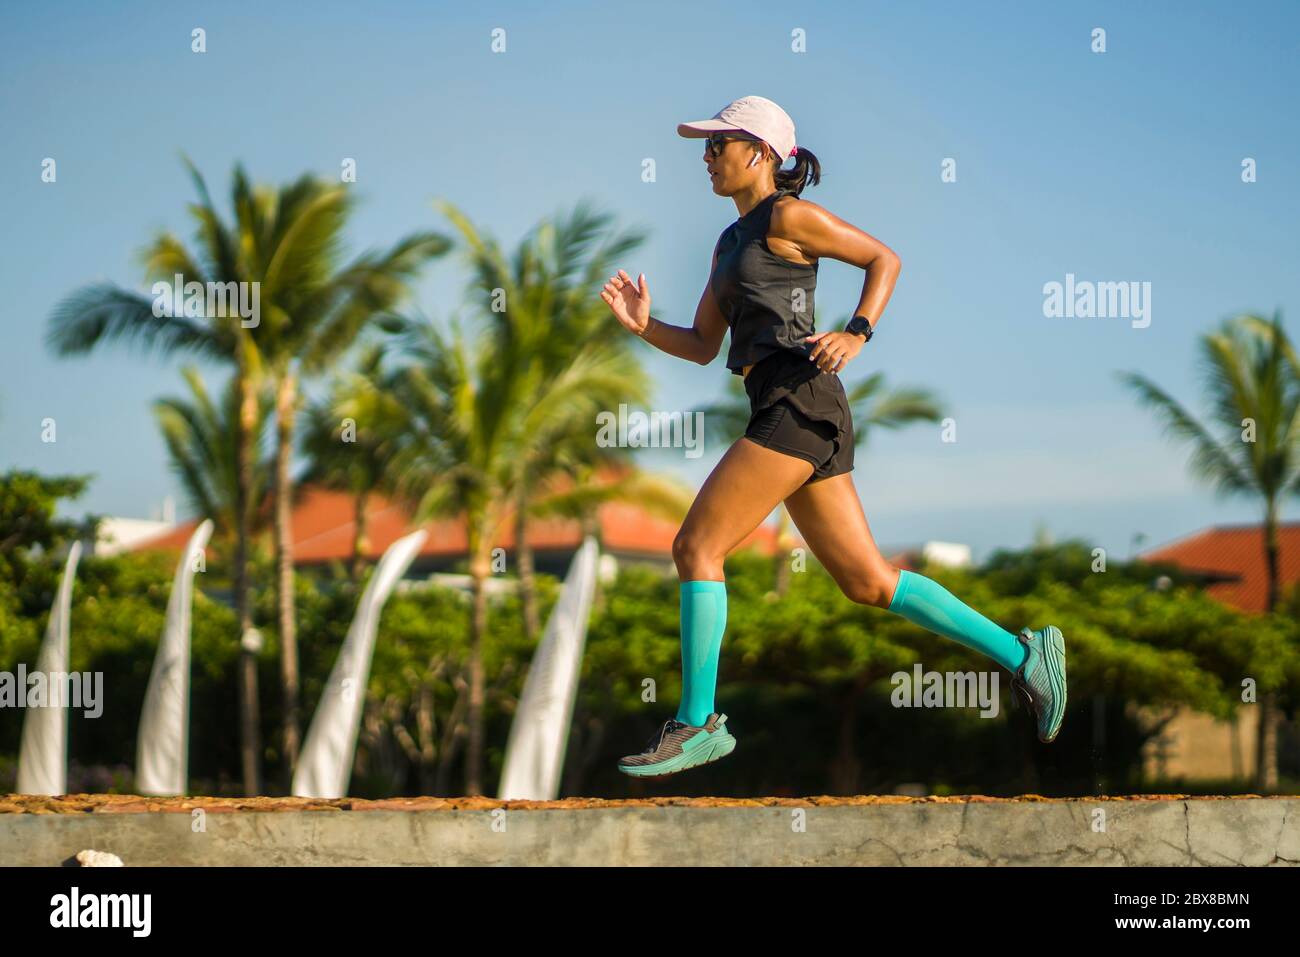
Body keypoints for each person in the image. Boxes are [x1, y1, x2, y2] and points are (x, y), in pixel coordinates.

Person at [599, 95, 1066, 778]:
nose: (705, 157)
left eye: (718, 144)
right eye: (705, 146)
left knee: (696, 545)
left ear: (758, 151)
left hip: (799, 400)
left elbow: (884, 259)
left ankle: (698, 723)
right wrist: (644, 325)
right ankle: (1027, 655)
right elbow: (703, 344)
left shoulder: (789, 216)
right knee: (869, 582)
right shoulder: (728, 243)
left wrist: (857, 331)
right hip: (786, 407)